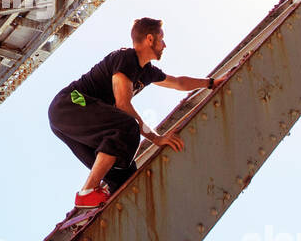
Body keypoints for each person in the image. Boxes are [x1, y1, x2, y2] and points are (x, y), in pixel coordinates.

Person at [48, 17, 228, 208]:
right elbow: (123, 105)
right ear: (150, 39)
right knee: (127, 127)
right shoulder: (126, 58)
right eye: (162, 39)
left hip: (67, 122)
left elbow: (178, 82)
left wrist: (210, 83)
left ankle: (99, 196)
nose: (165, 45)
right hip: (71, 103)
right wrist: (156, 138)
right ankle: (87, 192)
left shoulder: (147, 72)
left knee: (124, 173)